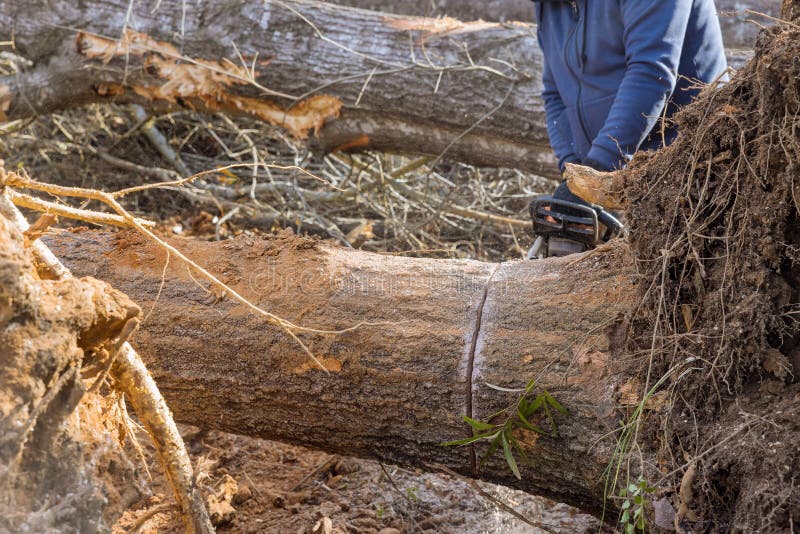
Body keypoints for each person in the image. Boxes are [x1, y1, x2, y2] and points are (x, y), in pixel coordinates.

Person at [529, 0, 728, 257]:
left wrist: (595, 172)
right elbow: (554, 92)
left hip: (693, 168)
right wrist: (574, 175)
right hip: (618, 171)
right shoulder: (550, 5)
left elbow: (651, 72)